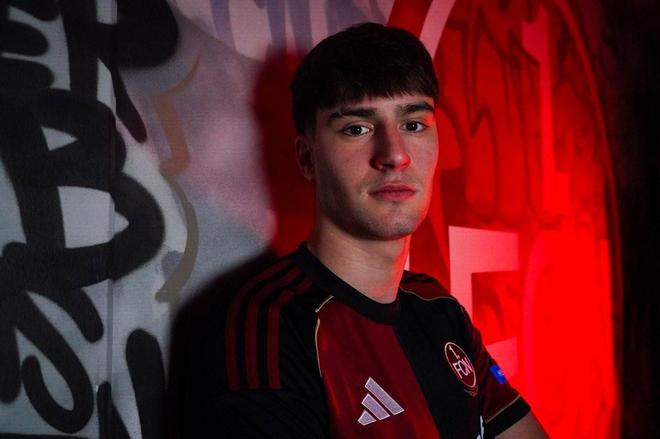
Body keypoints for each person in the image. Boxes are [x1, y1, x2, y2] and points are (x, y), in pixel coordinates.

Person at [176, 22, 548, 438]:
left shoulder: (439, 309)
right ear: (307, 158)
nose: (395, 155)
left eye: (413, 124)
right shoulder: (267, 328)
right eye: (357, 128)